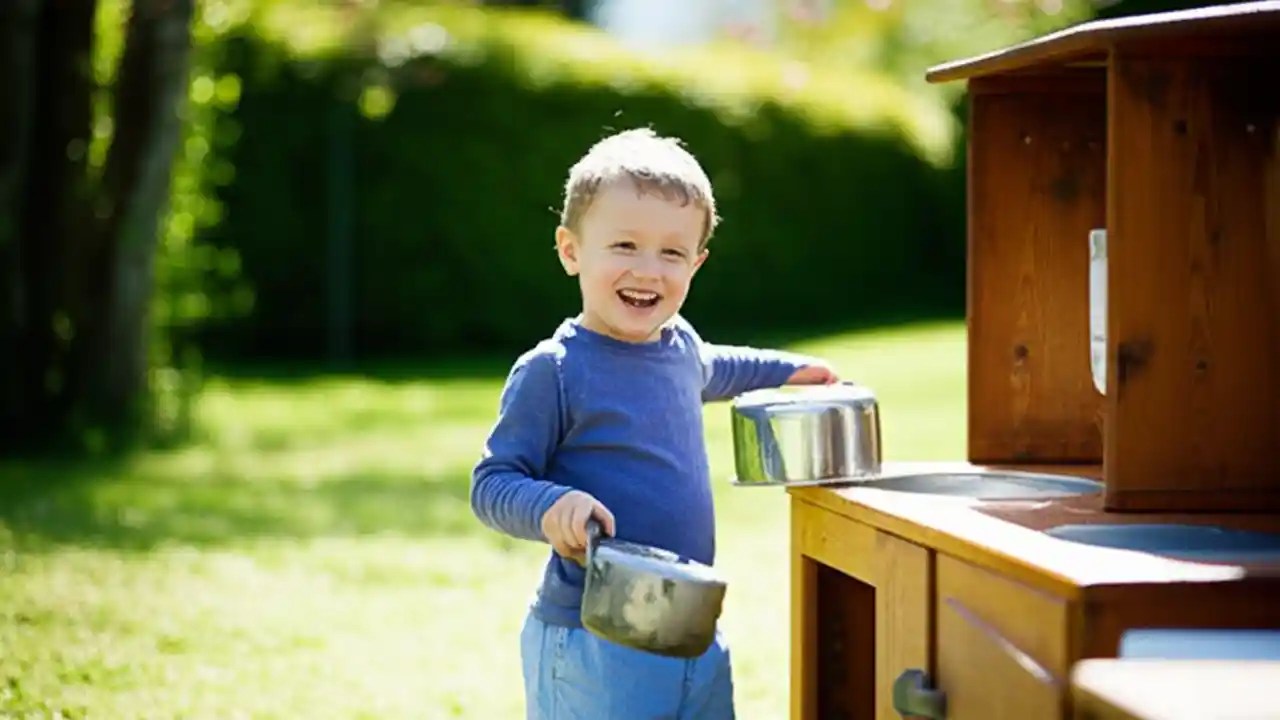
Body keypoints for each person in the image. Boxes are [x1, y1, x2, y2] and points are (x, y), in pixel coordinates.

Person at [470, 127, 838, 719]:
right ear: (570, 251)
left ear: (697, 262)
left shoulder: (681, 346)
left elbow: (725, 366)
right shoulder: (555, 370)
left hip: (689, 625)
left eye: (671, 253)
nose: (648, 270)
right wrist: (550, 505)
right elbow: (492, 483)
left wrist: (795, 372)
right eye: (624, 246)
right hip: (595, 638)